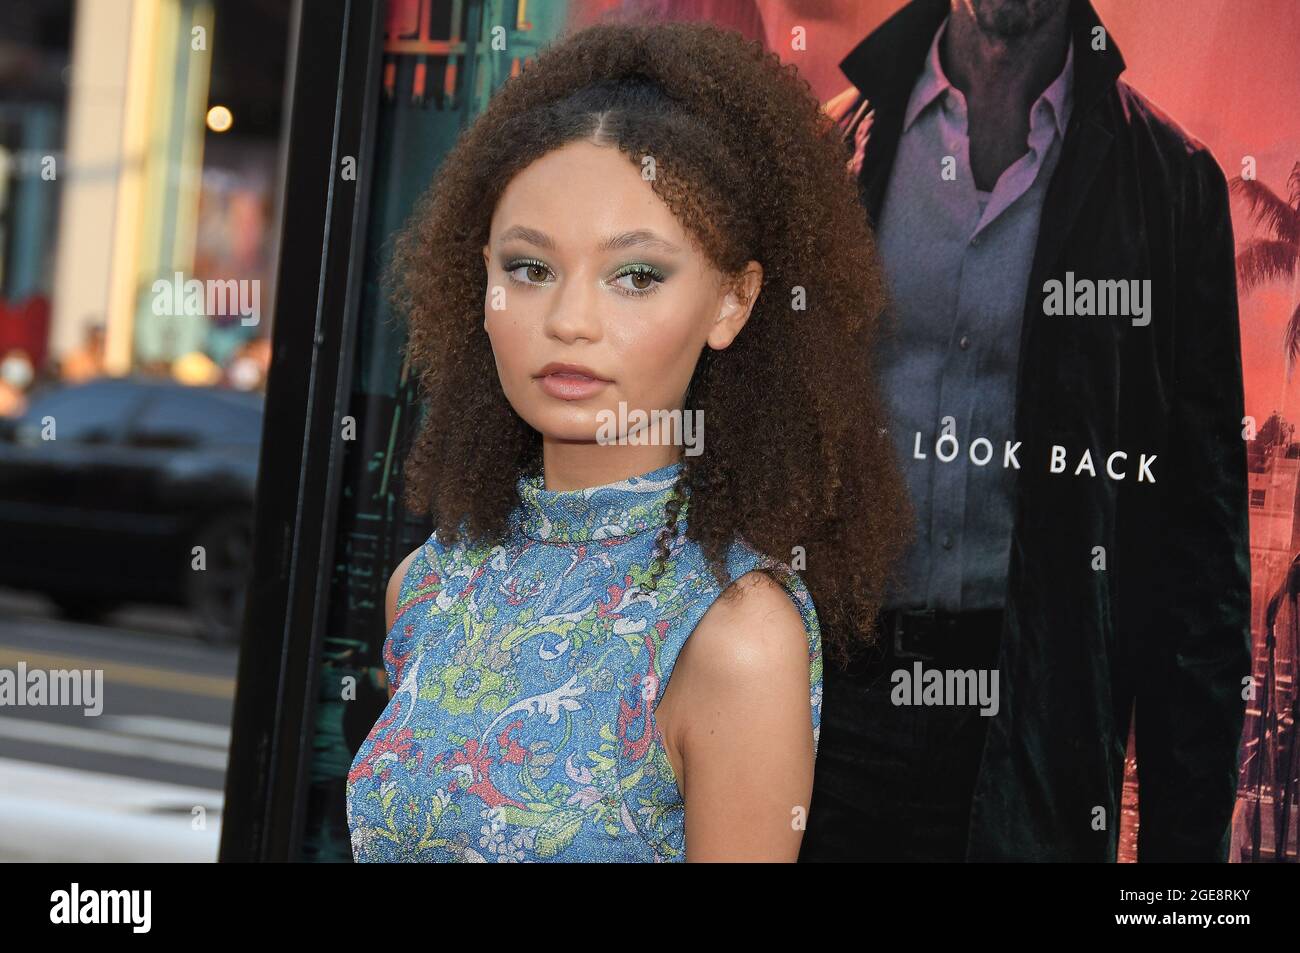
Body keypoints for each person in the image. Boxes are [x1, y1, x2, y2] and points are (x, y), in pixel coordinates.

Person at [345, 19, 911, 862]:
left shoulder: (737, 633)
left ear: (733, 301)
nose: (571, 321)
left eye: (637, 276)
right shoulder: (428, 583)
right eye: (529, 268)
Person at [802, 0, 1251, 862]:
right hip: (832, 711)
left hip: (1037, 730)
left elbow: (1201, 561)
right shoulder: (831, 150)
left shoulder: (1170, 186)